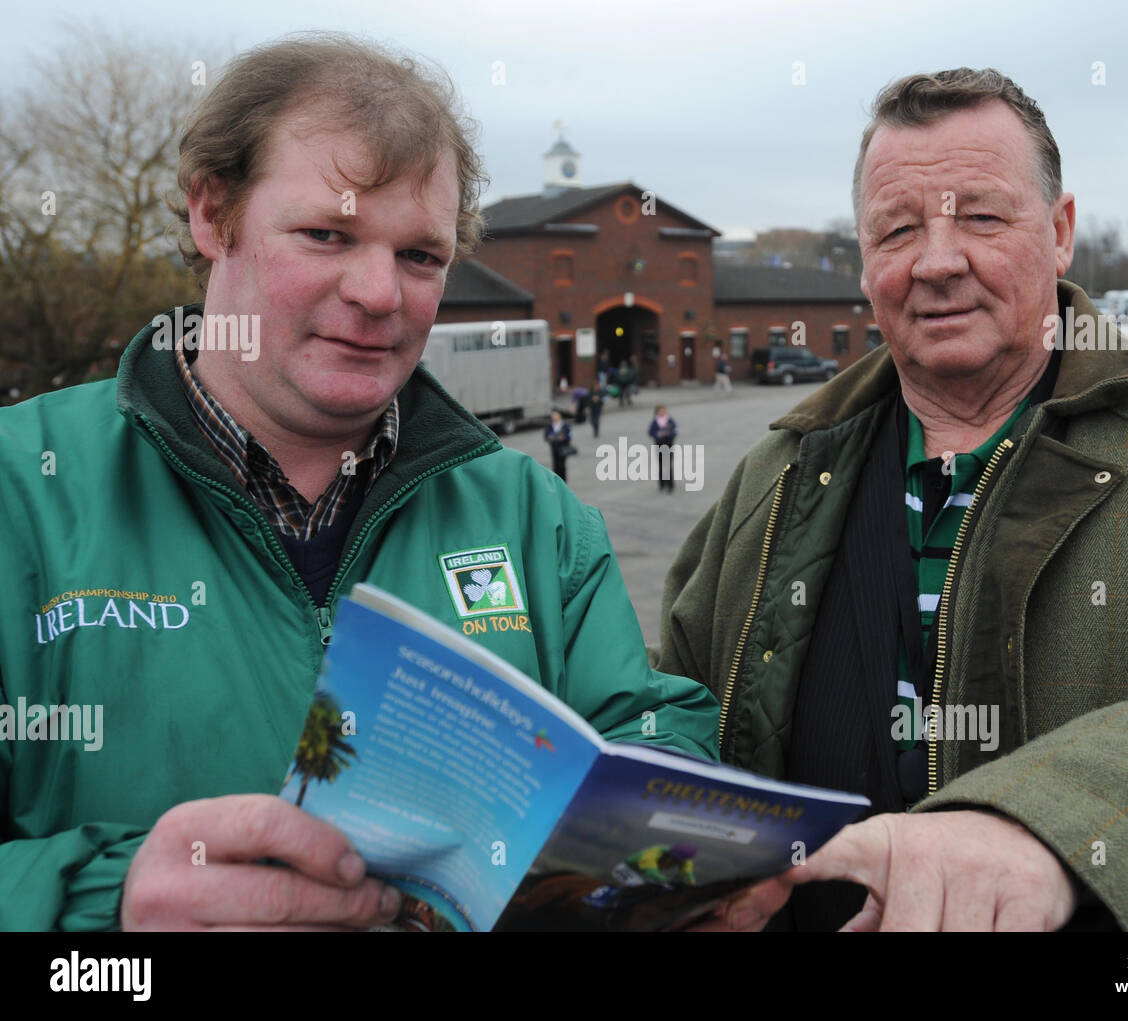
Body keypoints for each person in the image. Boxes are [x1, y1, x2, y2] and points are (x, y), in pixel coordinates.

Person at [0, 34, 718, 932]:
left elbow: (646, 731)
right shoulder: (20, 493)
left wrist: (685, 847)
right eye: (326, 235)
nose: (380, 292)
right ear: (210, 213)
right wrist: (99, 903)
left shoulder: (534, 516)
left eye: (421, 255)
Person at [656, 68, 1128, 932]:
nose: (936, 261)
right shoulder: (774, 476)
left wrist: (1048, 829)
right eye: (897, 229)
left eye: (983, 218)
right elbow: (679, 703)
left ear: (1061, 232)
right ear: (864, 257)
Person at [648, 405, 678, 493]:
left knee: (668, 465)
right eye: (660, 411)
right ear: (657, 412)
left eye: (664, 411)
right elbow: (650, 432)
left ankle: (670, 485)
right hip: (659, 445)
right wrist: (657, 435)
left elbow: (675, 431)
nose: (662, 412)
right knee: (661, 465)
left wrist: (668, 434)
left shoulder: (669, 420)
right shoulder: (655, 421)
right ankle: (661, 484)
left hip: (669, 445)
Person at [544, 409, 574, 481]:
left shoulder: (564, 425)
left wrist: (563, 438)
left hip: (563, 448)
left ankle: (563, 482)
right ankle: (557, 481)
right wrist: (549, 438)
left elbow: (569, 436)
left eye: (556, 415)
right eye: (553, 415)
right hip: (554, 448)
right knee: (555, 466)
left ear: (560, 416)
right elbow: (546, 436)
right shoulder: (550, 426)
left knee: (562, 466)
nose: (554, 417)